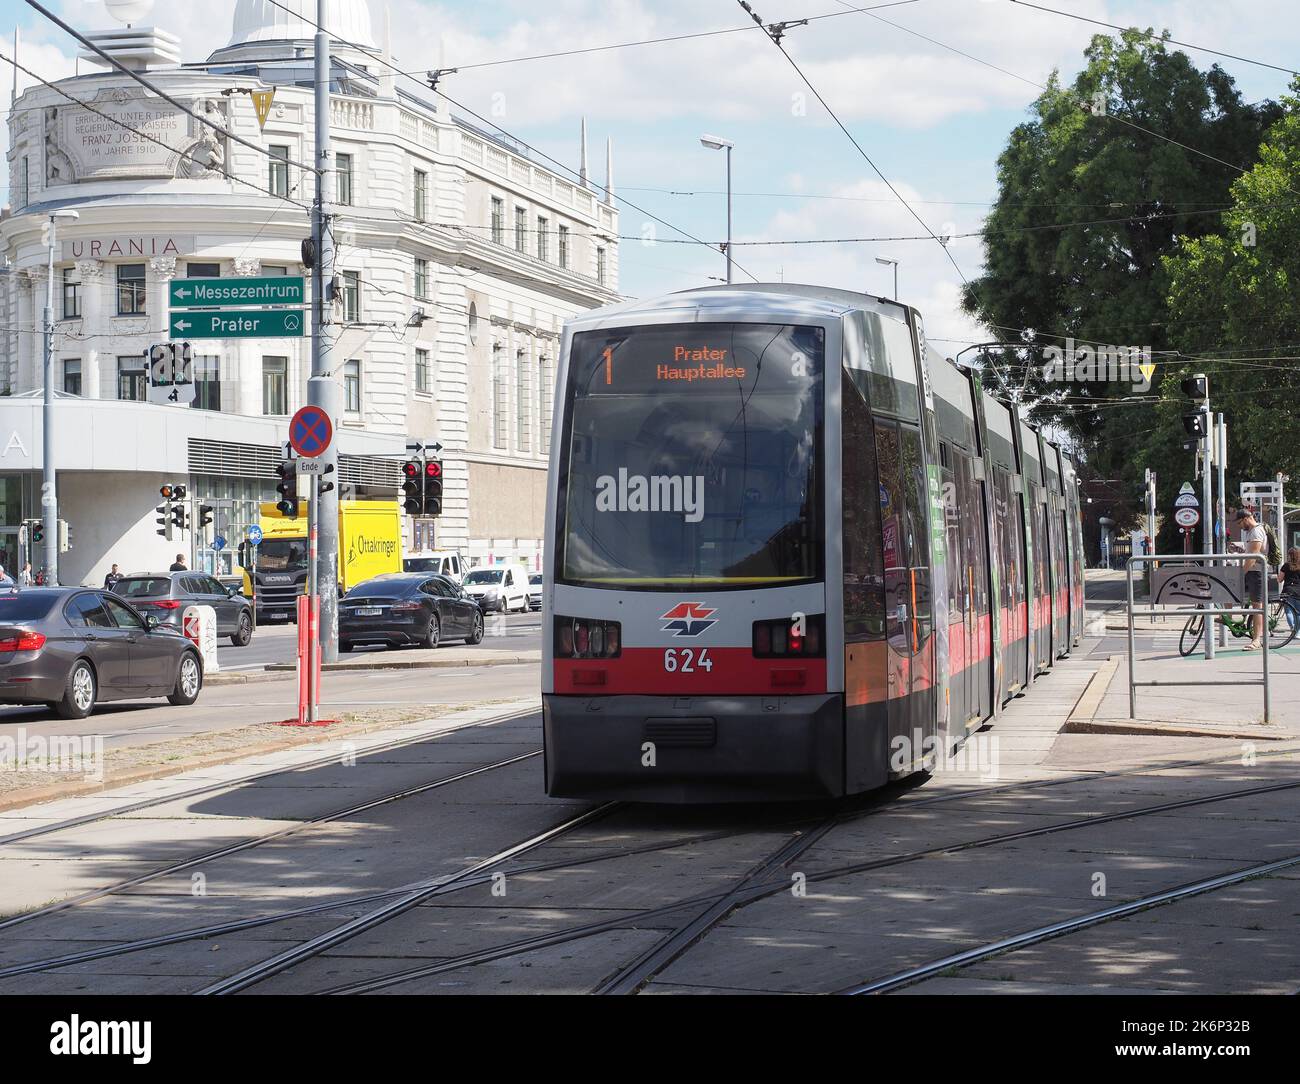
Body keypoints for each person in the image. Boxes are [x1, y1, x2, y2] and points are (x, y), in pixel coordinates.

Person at [1236, 507, 1268, 650]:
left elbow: (1253, 557)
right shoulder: (1250, 532)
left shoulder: (1256, 531)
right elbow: (1249, 552)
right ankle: (1228, 617)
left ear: (1246, 519)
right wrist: (1239, 550)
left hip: (1256, 573)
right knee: (1228, 589)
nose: (1239, 526)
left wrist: (1240, 574)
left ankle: (1257, 640)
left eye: (1239, 523)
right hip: (1251, 571)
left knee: (1257, 607)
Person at [1279, 547, 1300, 629]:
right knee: (1298, 612)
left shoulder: (1286, 565)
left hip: (1288, 591)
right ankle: (1298, 631)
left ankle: (1292, 628)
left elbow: (1280, 579)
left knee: (1289, 611)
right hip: (1299, 591)